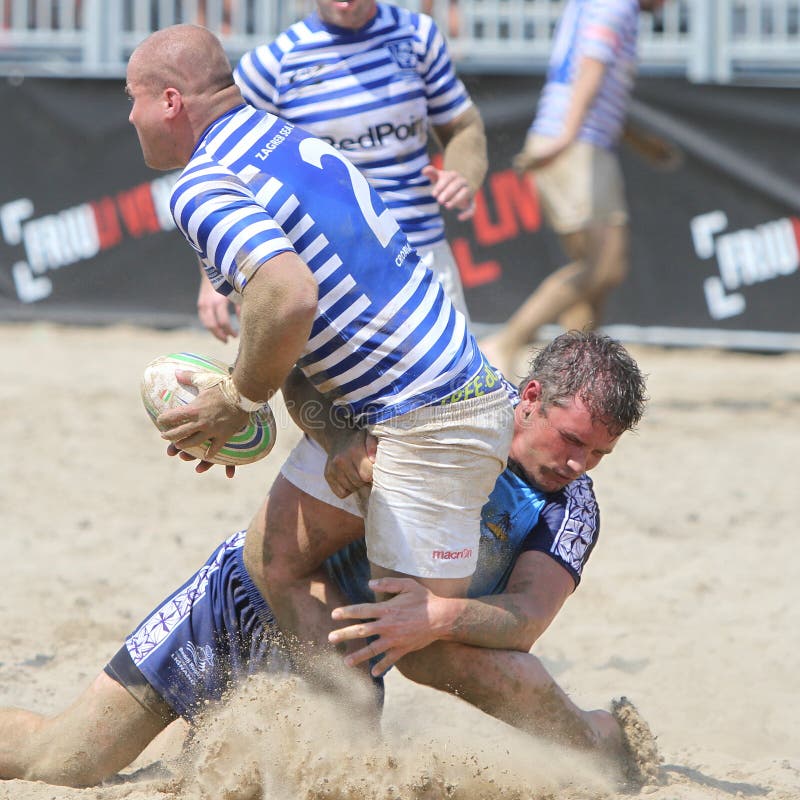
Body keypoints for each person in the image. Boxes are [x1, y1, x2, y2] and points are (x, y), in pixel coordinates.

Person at [0, 332, 657, 789]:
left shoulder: (569, 505)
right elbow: (304, 367)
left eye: (598, 454)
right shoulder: (450, 404)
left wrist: (437, 613)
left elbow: (525, 620)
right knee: (67, 762)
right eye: (572, 441)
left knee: (461, 650)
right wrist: (296, 422)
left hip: (343, 643)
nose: (578, 464)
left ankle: (594, 743)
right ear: (531, 396)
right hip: (247, 600)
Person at [125, 24, 513, 673]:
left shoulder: (201, 184)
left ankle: (585, 743)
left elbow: (289, 297)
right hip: (412, 401)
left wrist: (239, 399)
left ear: (170, 101)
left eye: (132, 98)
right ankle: (345, 742)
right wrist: (330, 436)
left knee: (420, 646)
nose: (129, 117)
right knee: (276, 558)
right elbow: (301, 328)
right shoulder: (284, 135)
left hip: (430, 418)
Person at [197, 0, 486, 342]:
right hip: (326, 269)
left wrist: (462, 175)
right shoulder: (272, 63)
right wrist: (212, 277)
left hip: (420, 254)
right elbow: (221, 166)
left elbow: (463, 126)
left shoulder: (418, 35)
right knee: (320, 396)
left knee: (460, 391)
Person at [480, 0, 666, 382]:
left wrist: (639, 140)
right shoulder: (618, 7)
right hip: (576, 148)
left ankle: (573, 377)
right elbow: (590, 73)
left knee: (593, 278)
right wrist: (565, 140)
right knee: (603, 266)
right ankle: (506, 343)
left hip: (573, 142)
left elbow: (595, 83)